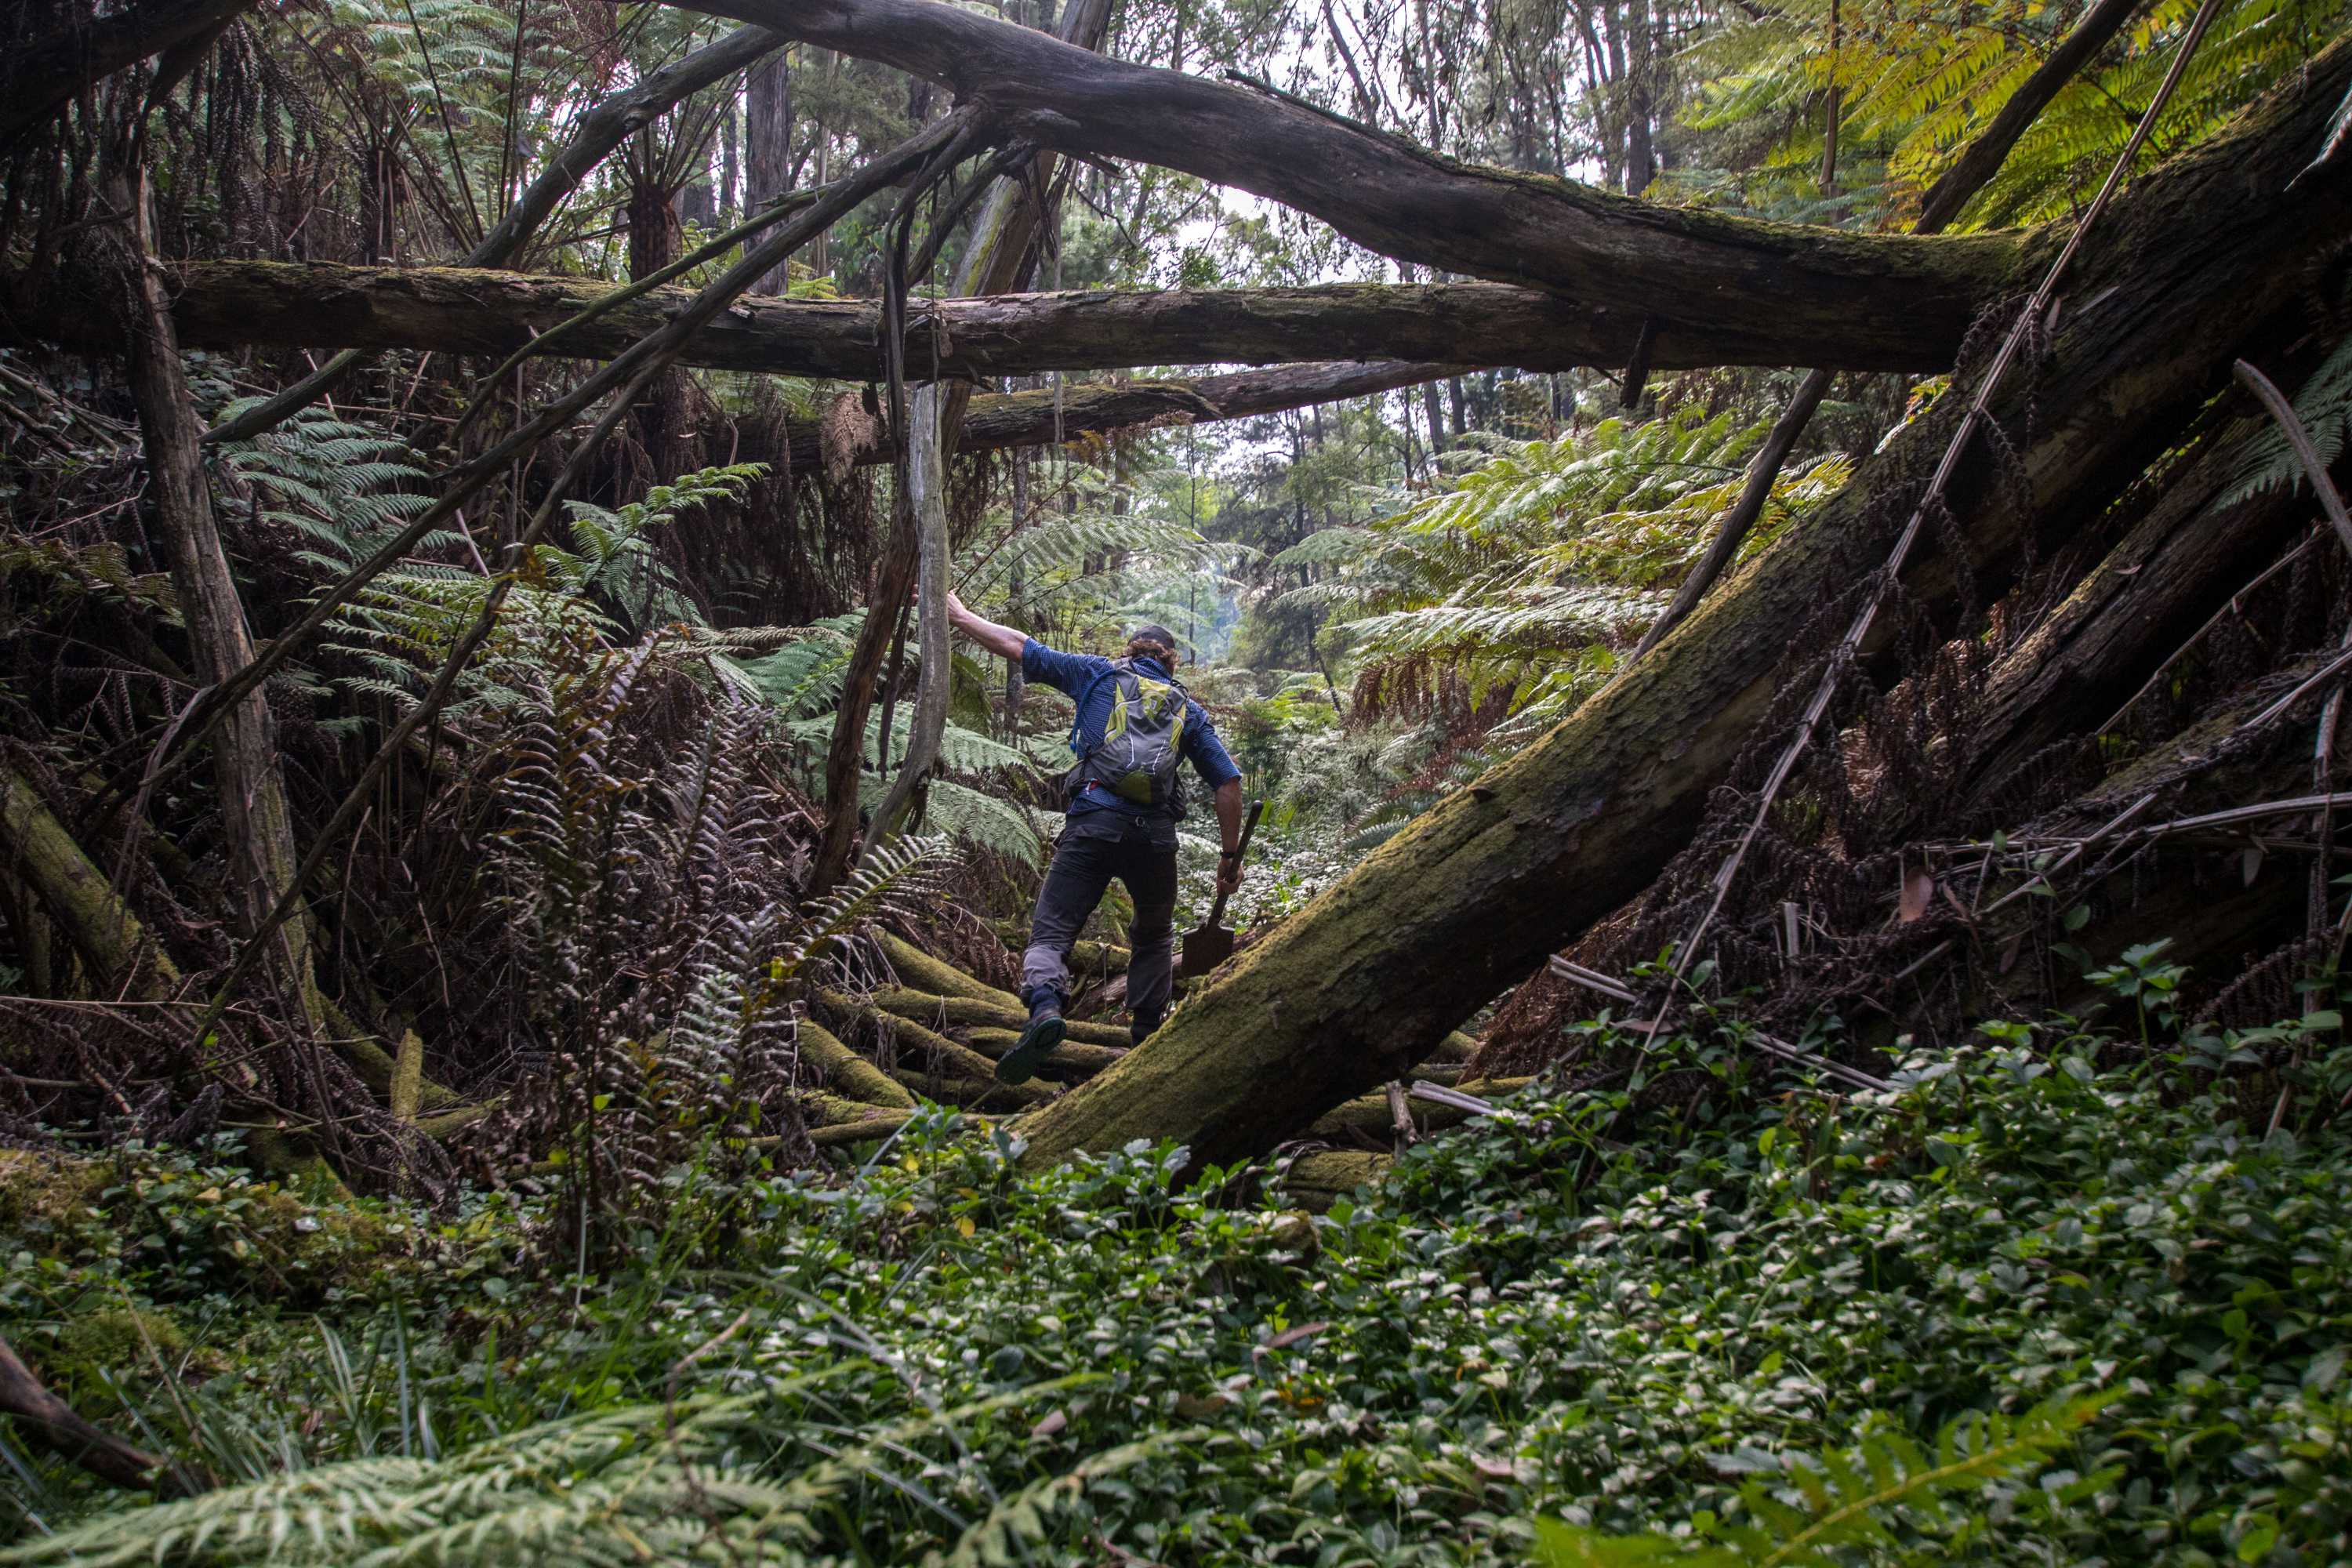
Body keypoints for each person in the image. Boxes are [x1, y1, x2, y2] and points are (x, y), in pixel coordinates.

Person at [945, 592, 1245, 1084]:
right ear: (1170, 662)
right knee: (1153, 935)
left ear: (1131, 651)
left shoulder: (1097, 674)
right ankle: (1147, 1034)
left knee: (1053, 933)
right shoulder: (1186, 709)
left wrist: (960, 616)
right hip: (1154, 840)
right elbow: (1228, 785)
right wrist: (1228, 857)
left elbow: (1019, 646)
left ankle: (1044, 1009)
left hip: (1093, 823)